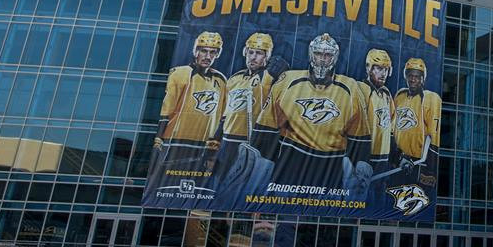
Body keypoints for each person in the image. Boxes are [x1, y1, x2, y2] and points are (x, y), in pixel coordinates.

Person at [257, 32, 371, 191]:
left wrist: (361, 164)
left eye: (327, 55)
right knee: (284, 212)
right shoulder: (288, 80)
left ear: (335, 57)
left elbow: (360, 137)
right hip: (290, 165)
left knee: (324, 214)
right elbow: (266, 126)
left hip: (331, 169)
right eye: (318, 54)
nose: (322, 59)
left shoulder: (351, 88)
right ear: (311, 54)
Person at [150, 29, 227, 199]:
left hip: (201, 146)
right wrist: (159, 137)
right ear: (196, 51)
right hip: (174, 143)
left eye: (213, 52)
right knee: (165, 189)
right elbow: (167, 108)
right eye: (204, 50)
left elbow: (222, 115)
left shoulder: (220, 80)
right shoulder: (180, 73)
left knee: (195, 193)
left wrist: (215, 143)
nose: (208, 56)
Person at [215, 31, 279, 184]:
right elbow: (225, 113)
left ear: (267, 56)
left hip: (253, 141)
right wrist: (216, 138)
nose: (253, 57)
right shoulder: (235, 78)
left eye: (259, 53)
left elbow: (279, 72)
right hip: (228, 140)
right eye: (250, 52)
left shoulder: (268, 76)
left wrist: (279, 68)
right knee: (220, 181)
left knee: (246, 183)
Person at [362, 49, 396, 175]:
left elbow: (391, 130)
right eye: (379, 68)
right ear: (369, 68)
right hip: (365, 161)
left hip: (383, 161)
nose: (383, 73)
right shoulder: (361, 90)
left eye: (386, 69)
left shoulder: (386, 94)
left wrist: (398, 156)